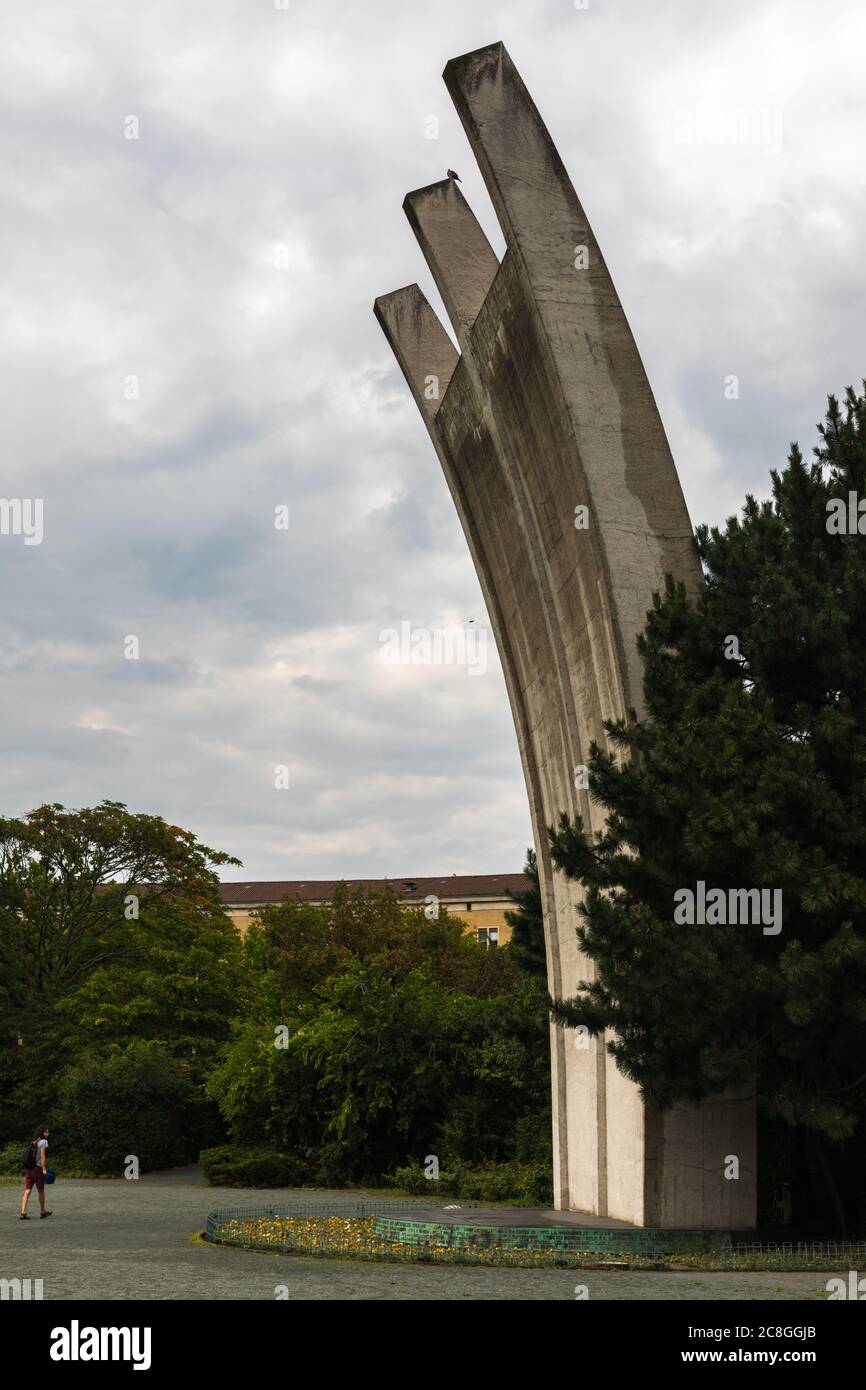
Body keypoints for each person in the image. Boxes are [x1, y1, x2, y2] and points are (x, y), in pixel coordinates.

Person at [20, 1125, 52, 1220]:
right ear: (43, 1132)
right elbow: (42, 1156)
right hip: (37, 1169)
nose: (48, 1134)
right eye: (46, 1132)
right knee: (41, 1190)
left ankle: (23, 1212)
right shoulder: (43, 1141)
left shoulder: (35, 1141)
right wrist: (44, 1169)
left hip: (29, 1168)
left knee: (27, 1189)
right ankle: (42, 1212)